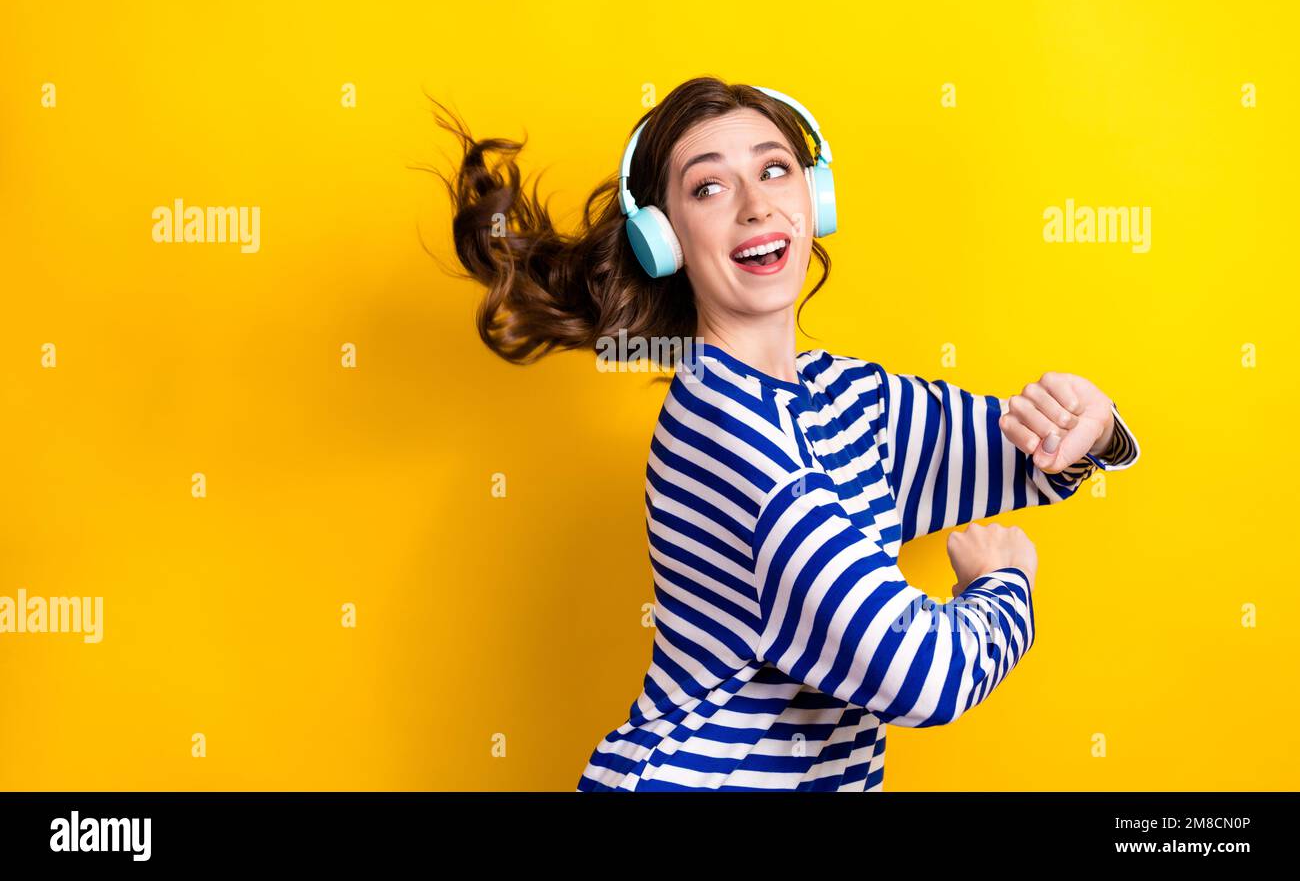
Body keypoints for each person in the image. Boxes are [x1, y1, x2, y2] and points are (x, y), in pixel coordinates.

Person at [428, 76, 1140, 791]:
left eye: (775, 170)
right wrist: (1002, 583)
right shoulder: (720, 430)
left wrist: (1093, 424)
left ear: (814, 199)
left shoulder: (845, 394)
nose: (756, 205)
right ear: (663, 241)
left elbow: (1031, 455)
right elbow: (924, 678)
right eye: (709, 188)